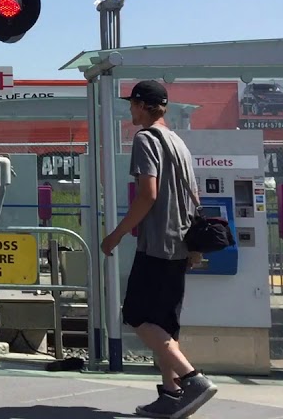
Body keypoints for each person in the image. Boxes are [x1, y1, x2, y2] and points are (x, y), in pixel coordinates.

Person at [101, 80, 217, 418]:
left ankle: (193, 380)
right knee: (165, 323)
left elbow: (148, 194)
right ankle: (171, 393)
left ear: (142, 105)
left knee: (137, 315)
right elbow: (192, 196)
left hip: (157, 244)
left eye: (132, 105)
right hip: (180, 243)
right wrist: (194, 248)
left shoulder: (145, 139)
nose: (129, 111)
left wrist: (117, 234)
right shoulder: (178, 141)